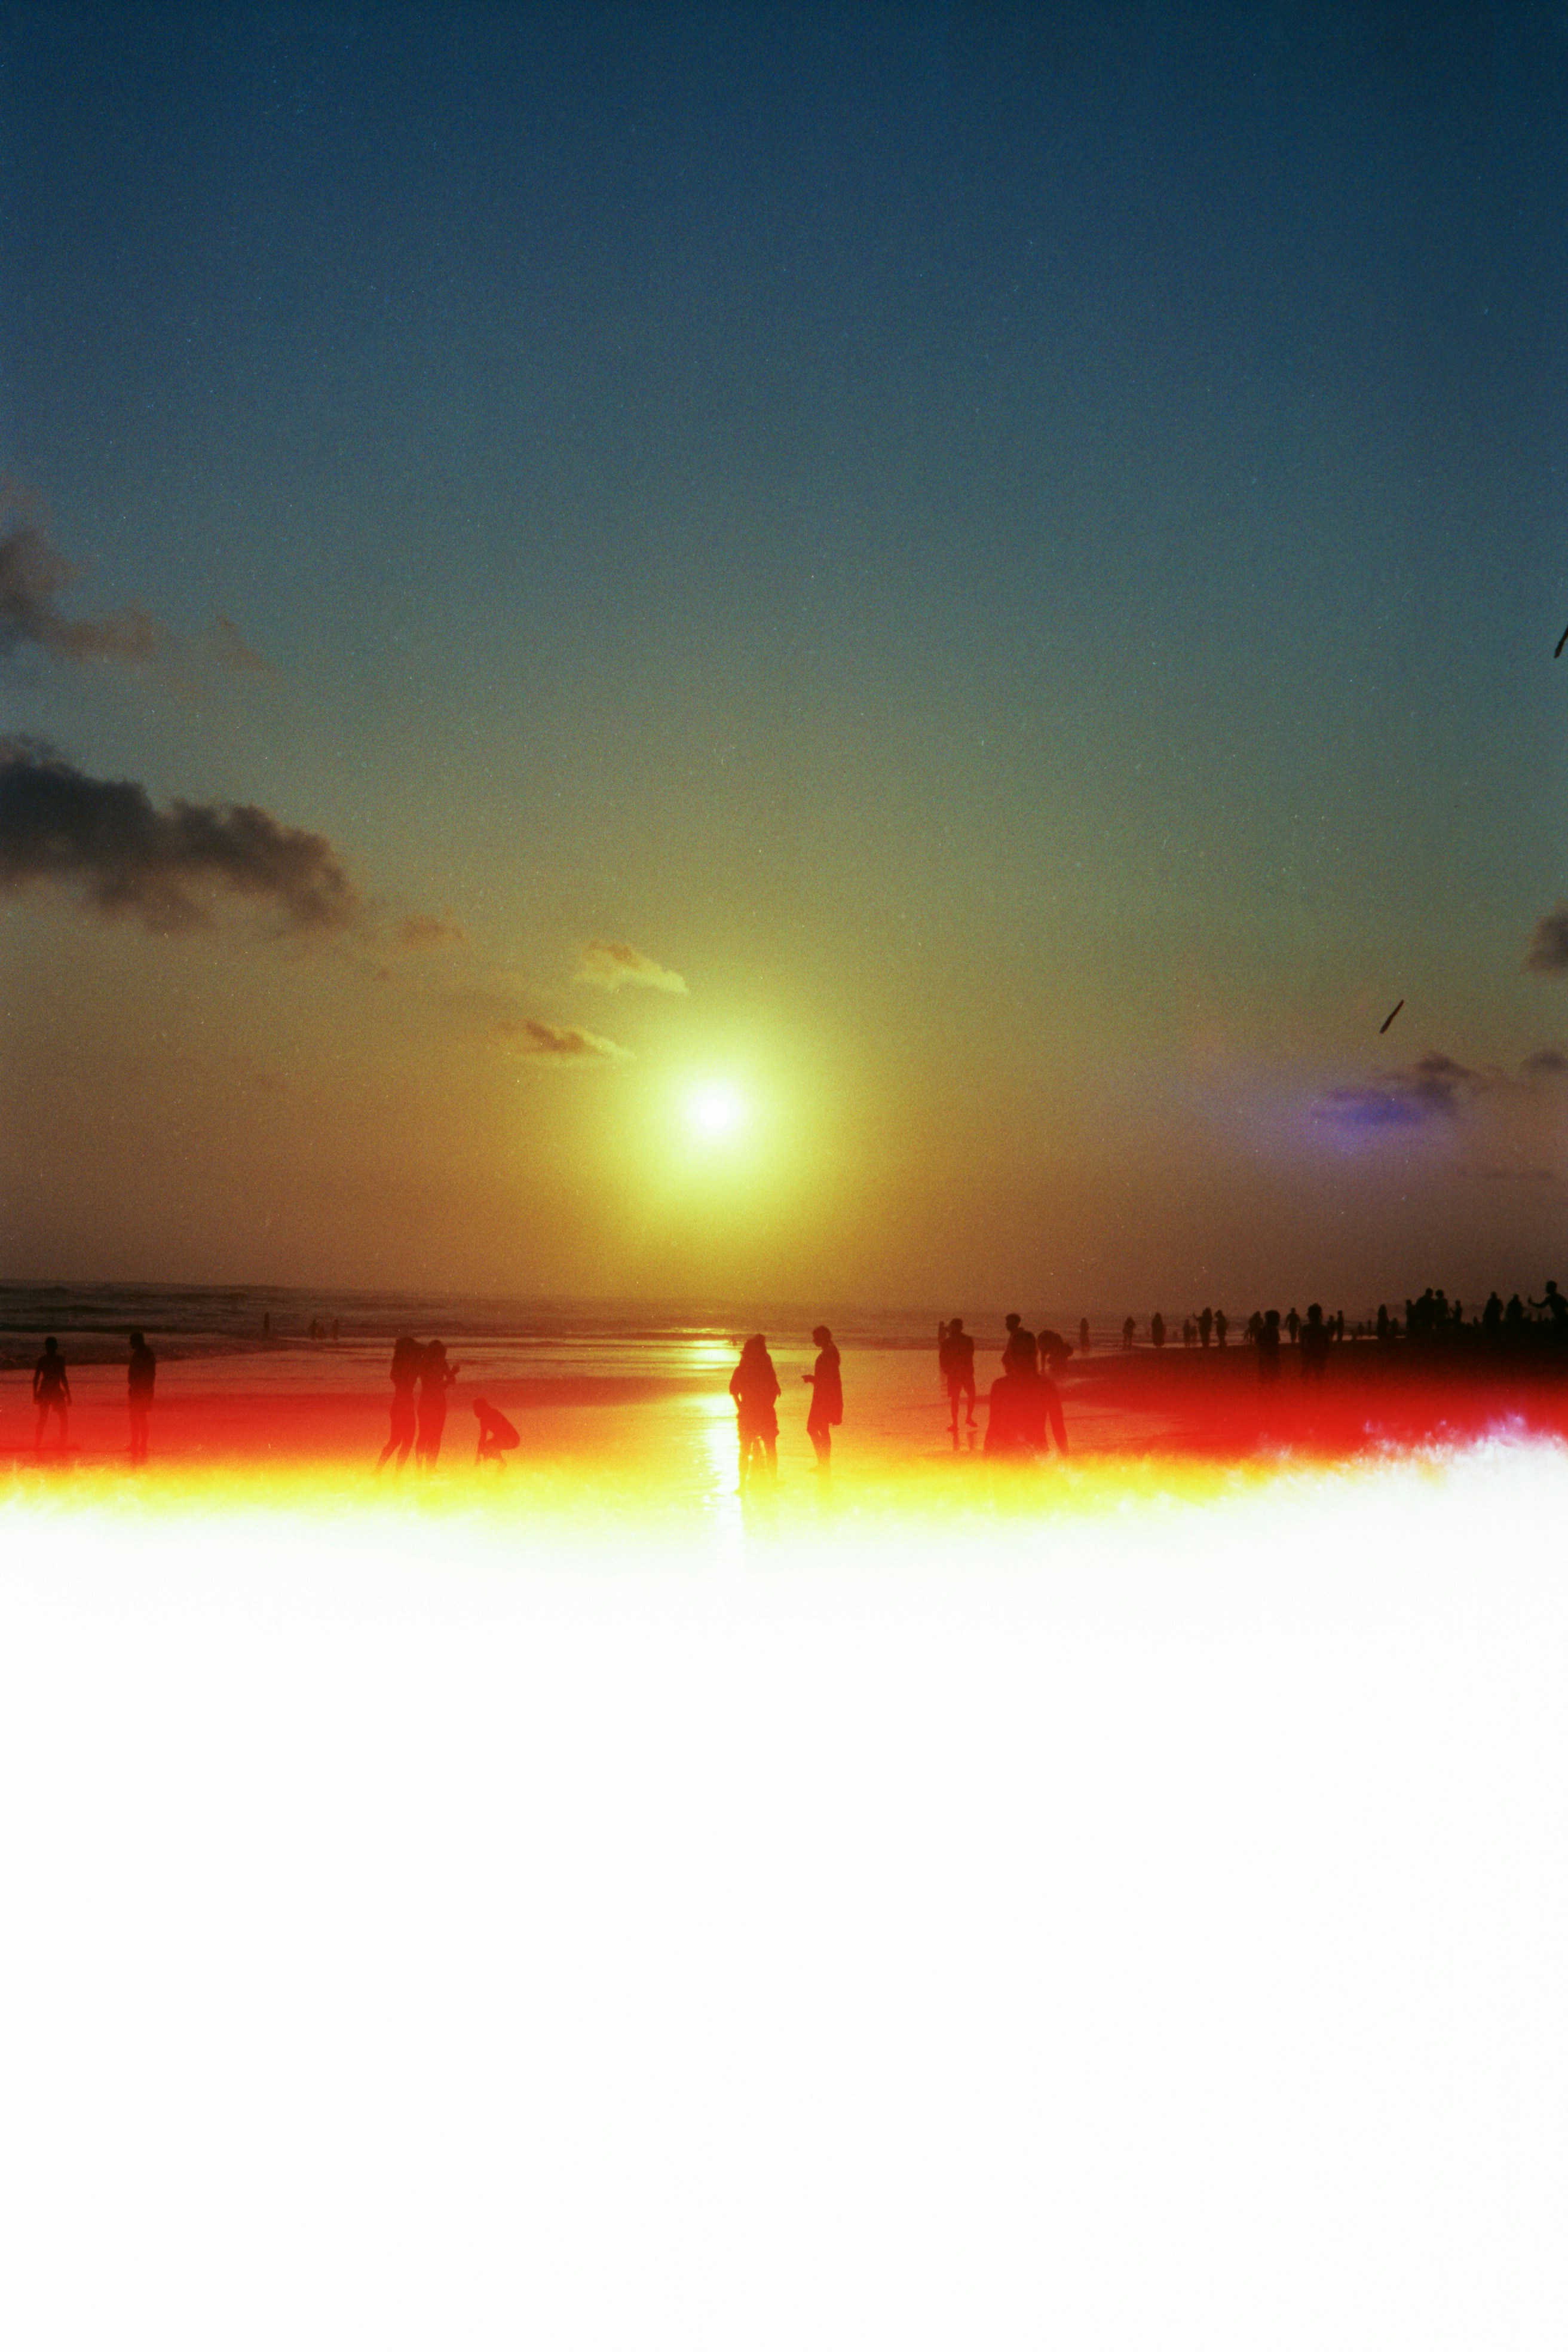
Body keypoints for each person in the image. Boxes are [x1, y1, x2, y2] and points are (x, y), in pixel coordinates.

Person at [729, 1334, 781, 1491]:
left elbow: (734, 1392)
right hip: (760, 1413)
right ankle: (771, 1480)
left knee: (747, 1449)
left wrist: (741, 1408)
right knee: (768, 1448)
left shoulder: (745, 1370)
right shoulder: (761, 1370)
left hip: (752, 1413)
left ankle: (743, 1484)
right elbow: (775, 1392)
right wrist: (766, 1406)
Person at [376, 1336, 421, 1472]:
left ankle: (378, 1470)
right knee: (406, 1442)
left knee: (395, 1440)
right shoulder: (411, 1365)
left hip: (398, 1404)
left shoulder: (397, 1365)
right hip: (406, 1405)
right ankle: (395, 1474)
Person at [416, 1340, 461, 1466]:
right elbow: (447, 1383)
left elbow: (441, 1383)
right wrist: (452, 1374)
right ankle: (430, 1466)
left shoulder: (423, 1363)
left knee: (424, 1435)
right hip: (438, 1402)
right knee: (435, 1435)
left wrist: (450, 1376)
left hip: (426, 1401)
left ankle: (420, 1466)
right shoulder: (441, 1363)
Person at [803, 1324, 843, 1468]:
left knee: (813, 1428)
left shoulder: (828, 1354)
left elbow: (827, 1380)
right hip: (826, 1396)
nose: (814, 1340)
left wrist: (812, 1379)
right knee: (822, 1429)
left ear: (822, 1338)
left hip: (824, 1398)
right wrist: (814, 1380)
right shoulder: (830, 1352)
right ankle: (824, 1462)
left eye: (816, 1338)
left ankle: (823, 1462)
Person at [939, 1317, 978, 1437]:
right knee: (957, 1398)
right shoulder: (951, 1342)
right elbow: (942, 1358)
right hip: (957, 1373)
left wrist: (948, 1369)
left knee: (969, 1396)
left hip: (961, 1372)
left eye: (957, 1327)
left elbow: (969, 1354)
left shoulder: (963, 1340)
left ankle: (966, 1419)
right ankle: (957, 1422)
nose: (956, 1329)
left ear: (960, 1328)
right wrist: (947, 1370)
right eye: (955, 1327)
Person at [33, 1336, 71, 1452]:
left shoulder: (42, 1360)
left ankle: (37, 1444)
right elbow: (63, 1378)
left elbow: (36, 1379)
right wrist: (69, 1394)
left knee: (43, 1418)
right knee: (63, 1418)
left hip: (45, 1391)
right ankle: (62, 1443)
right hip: (55, 1391)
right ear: (56, 1347)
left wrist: (35, 1394)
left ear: (46, 1347)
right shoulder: (60, 1360)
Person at [127, 1328, 156, 1464]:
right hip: (138, 1390)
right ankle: (136, 1443)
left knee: (140, 1417)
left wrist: (143, 1389)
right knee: (136, 1417)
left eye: (132, 1341)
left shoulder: (145, 1354)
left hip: (142, 1390)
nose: (130, 1343)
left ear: (137, 1341)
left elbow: (150, 1374)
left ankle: (141, 1444)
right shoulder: (143, 1353)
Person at [473, 1397, 520, 1466]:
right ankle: (498, 1464)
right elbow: (483, 1438)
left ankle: (502, 1464)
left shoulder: (493, 1414)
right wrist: (478, 1455)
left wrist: (491, 1447)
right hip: (504, 1439)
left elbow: (502, 1430)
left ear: (481, 1408)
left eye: (476, 1409)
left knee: (488, 1447)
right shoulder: (483, 1420)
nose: (475, 1412)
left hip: (513, 1439)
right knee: (485, 1447)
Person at [1300, 1303, 1331, 1383]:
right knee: (1320, 1374)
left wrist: (1303, 1353)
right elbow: (1327, 1343)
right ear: (1320, 1315)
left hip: (1308, 1351)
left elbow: (1302, 1343)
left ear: (1309, 1315)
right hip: (1320, 1351)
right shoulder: (1323, 1328)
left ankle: (1304, 1389)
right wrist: (1326, 1354)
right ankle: (1319, 1390)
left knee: (1306, 1374)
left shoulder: (1305, 1328)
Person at [1257, 1309, 1282, 1384]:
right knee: (1273, 1378)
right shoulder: (1274, 1330)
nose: (1279, 1321)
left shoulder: (1263, 1330)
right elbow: (1276, 1343)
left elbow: (1258, 1341)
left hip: (1263, 1357)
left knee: (1264, 1377)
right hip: (1272, 1357)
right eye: (1278, 1319)